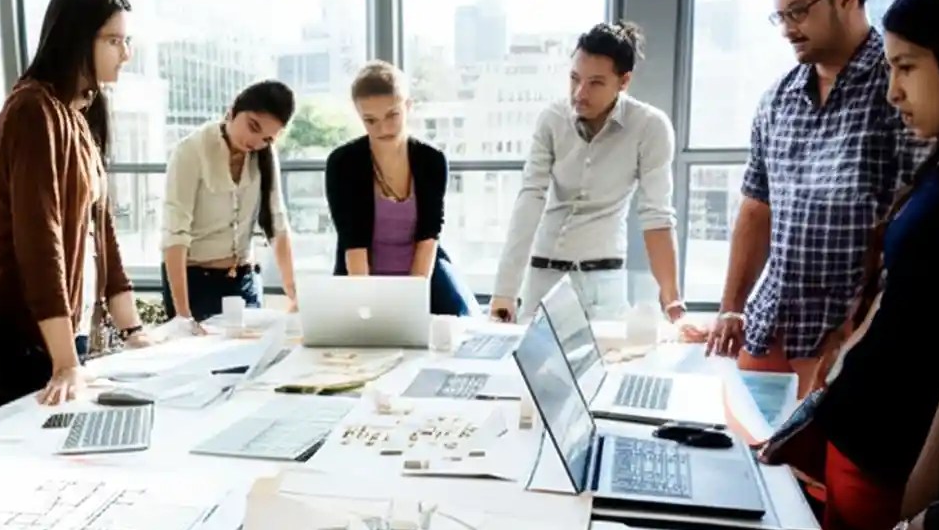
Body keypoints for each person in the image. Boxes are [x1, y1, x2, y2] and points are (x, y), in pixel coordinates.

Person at [767, 0, 939, 530]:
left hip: (910, 481)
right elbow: (894, 304)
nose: (893, 90)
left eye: (907, 67)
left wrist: (919, 526)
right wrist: (818, 408)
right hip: (863, 456)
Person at [706, 0, 929, 396]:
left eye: (798, 11)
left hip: (845, 334)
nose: (789, 28)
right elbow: (757, 206)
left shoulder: (900, 91)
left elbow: (913, 227)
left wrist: (860, 330)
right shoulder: (777, 99)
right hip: (771, 326)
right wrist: (731, 309)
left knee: (809, 460)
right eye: (781, 16)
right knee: (738, 452)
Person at [0, 0, 150, 408]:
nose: (125, 54)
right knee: (43, 449)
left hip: (64, 326)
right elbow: (40, 237)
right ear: (75, 37)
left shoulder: (79, 113)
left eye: (126, 41)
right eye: (114, 40)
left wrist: (133, 330)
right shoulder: (33, 110)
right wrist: (66, 361)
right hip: (26, 326)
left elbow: (100, 228)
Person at [489, 22, 679, 324]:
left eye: (595, 83)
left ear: (624, 81)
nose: (580, 93)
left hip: (602, 282)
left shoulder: (650, 127)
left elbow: (657, 215)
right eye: (575, 78)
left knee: (608, 367)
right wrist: (505, 291)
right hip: (542, 276)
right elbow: (530, 199)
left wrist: (673, 301)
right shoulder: (552, 119)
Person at [324, 61, 479, 316]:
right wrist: (365, 308)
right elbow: (352, 242)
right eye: (370, 120)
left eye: (392, 115)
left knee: (457, 329)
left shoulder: (431, 160)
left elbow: (429, 236)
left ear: (408, 106)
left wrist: (412, 303)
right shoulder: (343, 163)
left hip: (424, 271)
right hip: (362, 273)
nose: (382, 129)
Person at [161, 81, 299, 325]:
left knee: (252, 360)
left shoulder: (264, 155)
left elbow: (278, 222)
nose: (255, 141)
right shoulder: (191, 151)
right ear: (233, 109)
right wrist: (183, 316)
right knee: (202, 359)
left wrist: (293, 292)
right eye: (252, 126)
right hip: (195, 281)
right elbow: (174, 236)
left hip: (244, 280)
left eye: (267, 138)